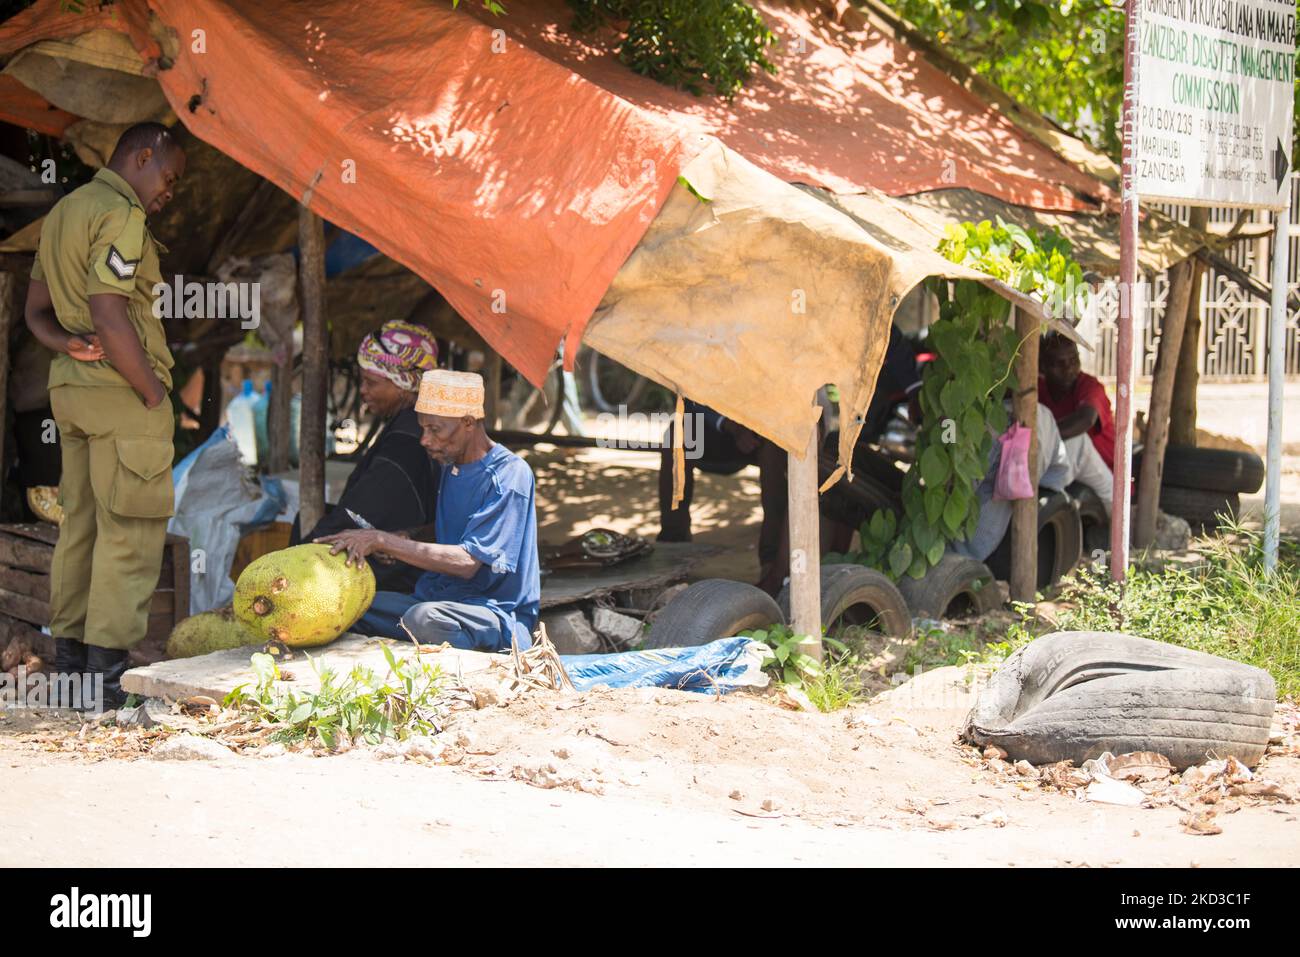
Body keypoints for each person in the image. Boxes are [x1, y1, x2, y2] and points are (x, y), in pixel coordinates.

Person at [22, 122, 186, 708]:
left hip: (70, 390)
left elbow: (35, 310)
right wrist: (152, 394)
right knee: (130, 533)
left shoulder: (66, 211)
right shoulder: (122, 215)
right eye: (168, 177)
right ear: (143, 157)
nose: (168, 192)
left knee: (81, 529)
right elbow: (109, 312)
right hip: (122, 395)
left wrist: (64, 344)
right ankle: (107, 684)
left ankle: (71, 673)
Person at [318, 370, 540, 653]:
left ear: (468, 423)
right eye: (423, 428)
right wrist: (407, 536)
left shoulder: (510, 476)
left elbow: (467, 562)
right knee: (350, 604)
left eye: (435, 429)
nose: (424, 440)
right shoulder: (451, 467)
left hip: (494, 614)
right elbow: (456, 526)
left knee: (422, 619)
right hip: (439, 599)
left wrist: (382, 540)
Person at [289, 319, 440, 591]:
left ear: (404, 383)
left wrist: (295, 563)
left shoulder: (406, 440)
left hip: (407, 578)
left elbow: (362, 513)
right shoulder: (412, 424)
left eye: (371, 382)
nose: (363, 391)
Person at [1038, 332, 1116, 470]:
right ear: (1043, 367)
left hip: (1107, 472)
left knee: (1076, 442)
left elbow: (1085, 419)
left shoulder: (1089, 386)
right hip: (1069, 469)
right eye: (1060, 363)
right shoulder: (1037, 388)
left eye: (1074, 360)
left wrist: (1039, 440)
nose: (1069, 369)